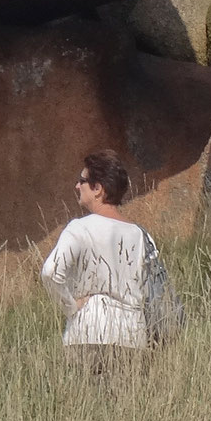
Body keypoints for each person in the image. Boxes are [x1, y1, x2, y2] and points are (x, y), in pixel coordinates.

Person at [39, 149, 179, 373]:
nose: (77, 186)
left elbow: (50, 272)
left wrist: (71, 306)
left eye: (82, 181)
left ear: (98, 189)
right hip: (131, 338)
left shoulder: (79, 228)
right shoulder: (140, 235)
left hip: (87, 333)